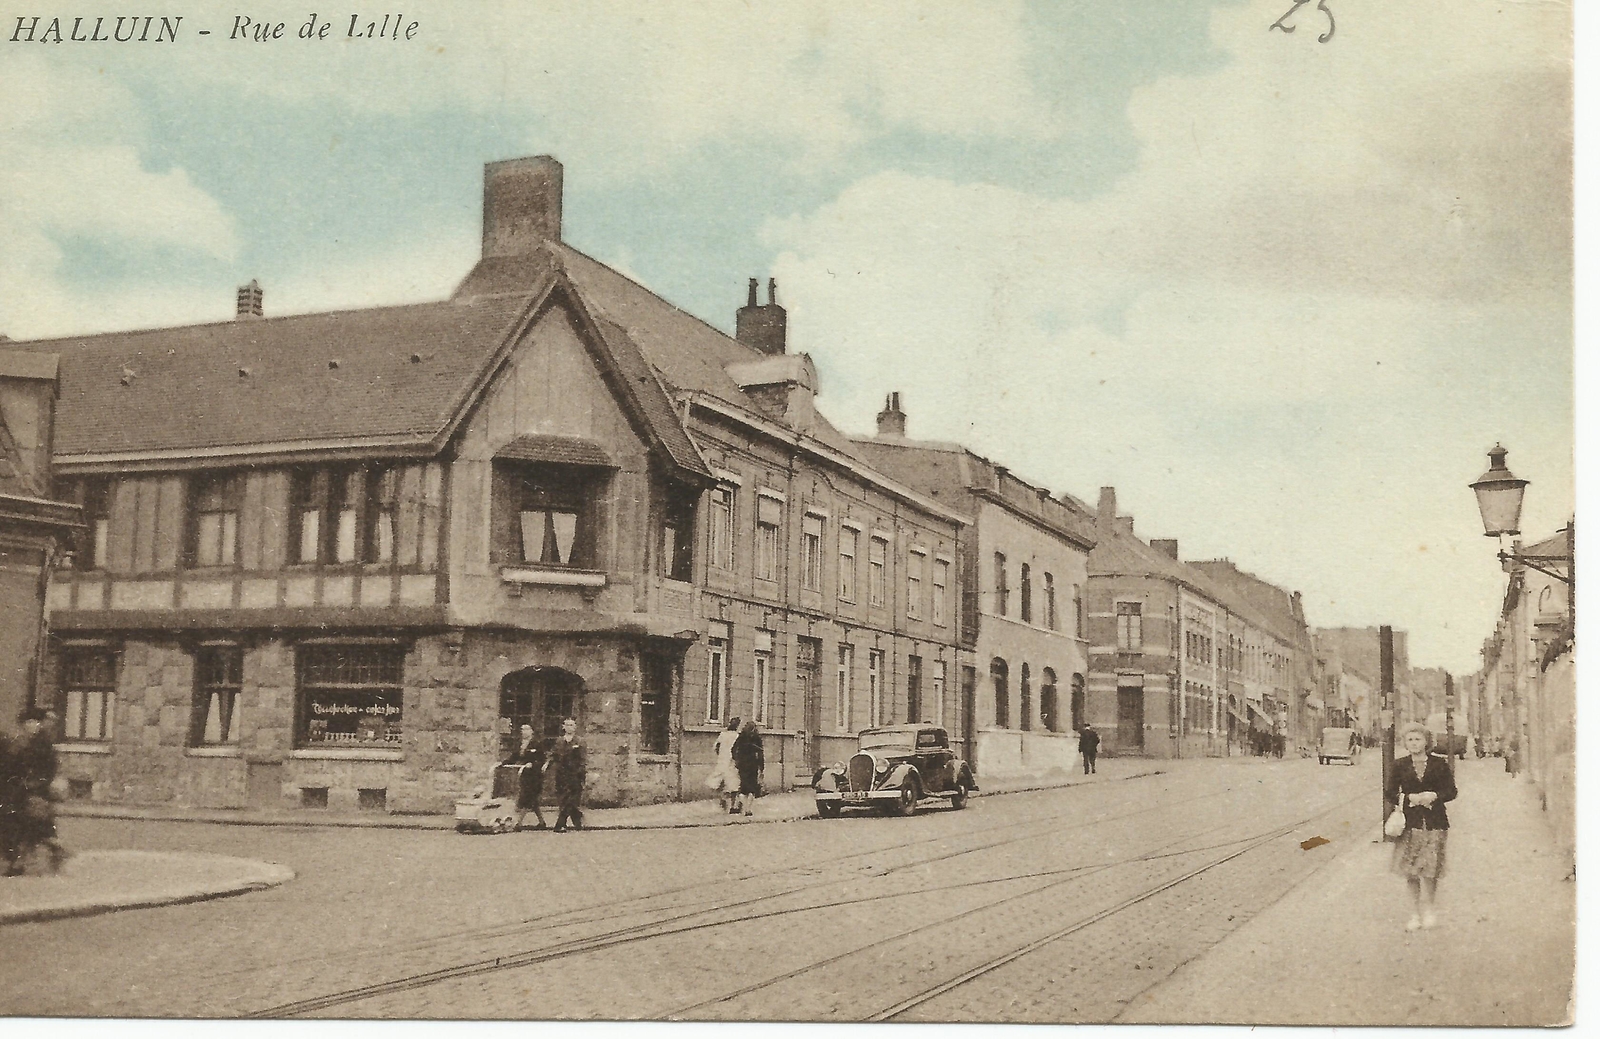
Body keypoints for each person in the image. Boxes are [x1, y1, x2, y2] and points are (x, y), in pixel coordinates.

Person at [1385, 721, 1456, 932]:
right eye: (1410, 740)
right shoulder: (1399, 765)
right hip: (1410, 823)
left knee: (1431, 869)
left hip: (1435, 822)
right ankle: (1415, 914)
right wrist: (1409, 798)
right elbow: (1390, 792)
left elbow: (1451, 791)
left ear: (1426, 742)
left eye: (1418, 739)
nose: (1414, 743)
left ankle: (1430, 911)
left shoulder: (1439, 764)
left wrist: (1434, 795)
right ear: (1405, 743)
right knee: (1411, 870)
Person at [13, 707, 69, 874]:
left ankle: (54, 850)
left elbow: (45, 768)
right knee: (31, 827)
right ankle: (21, 861)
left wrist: (33, 784)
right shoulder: (35, 741)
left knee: (33, 826)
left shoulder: (40, 743)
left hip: (36, 791)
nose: (30, 726)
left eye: (33, 722)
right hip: (33, 790)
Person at [545, 718, 586, 833]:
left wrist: (581, 774)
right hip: (561, 773)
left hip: (575, 773)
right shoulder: (559, 741)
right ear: (563, 727)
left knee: (571, 798)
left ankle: (560, 824)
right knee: (564, 798)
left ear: (575, 727)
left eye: (571, 725)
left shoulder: (580, 741)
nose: (569, 727)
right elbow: (553, 754)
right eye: (567, 725)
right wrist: (547, 762)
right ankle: (577, 820)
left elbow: (583, 759)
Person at [505, 724, 547, 831]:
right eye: (522, 729)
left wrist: (533, 764)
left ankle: (518, 823)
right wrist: (502, 763)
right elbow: (514, 757)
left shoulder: (537, 744)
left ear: (532, 731)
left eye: (527, 729)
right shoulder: (520, 744)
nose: (524, 731)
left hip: (535, 775)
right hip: (524, 774)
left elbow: (542, 759)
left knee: (526, 797)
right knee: (532, 800)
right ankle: (542, 822)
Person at [705, 716, 741, 814]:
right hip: (732, 762)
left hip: (722, 761)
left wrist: (720, 754)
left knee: (718, 782)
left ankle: (722, 798)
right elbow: (739, 750)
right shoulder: (737, 736)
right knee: (734, 785)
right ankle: (733, 806)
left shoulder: (722, 735)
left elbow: (716, 747)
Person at [731, 720, 764, 817]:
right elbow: (761, 753)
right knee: (752, 787)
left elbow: (733, 749)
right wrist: (761, 767)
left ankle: (745, 807)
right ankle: (748, 809)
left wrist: (736, 759)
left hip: (742, 764)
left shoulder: (741, 737)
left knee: (743, 787)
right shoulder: (757, 738)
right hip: (753, 764)